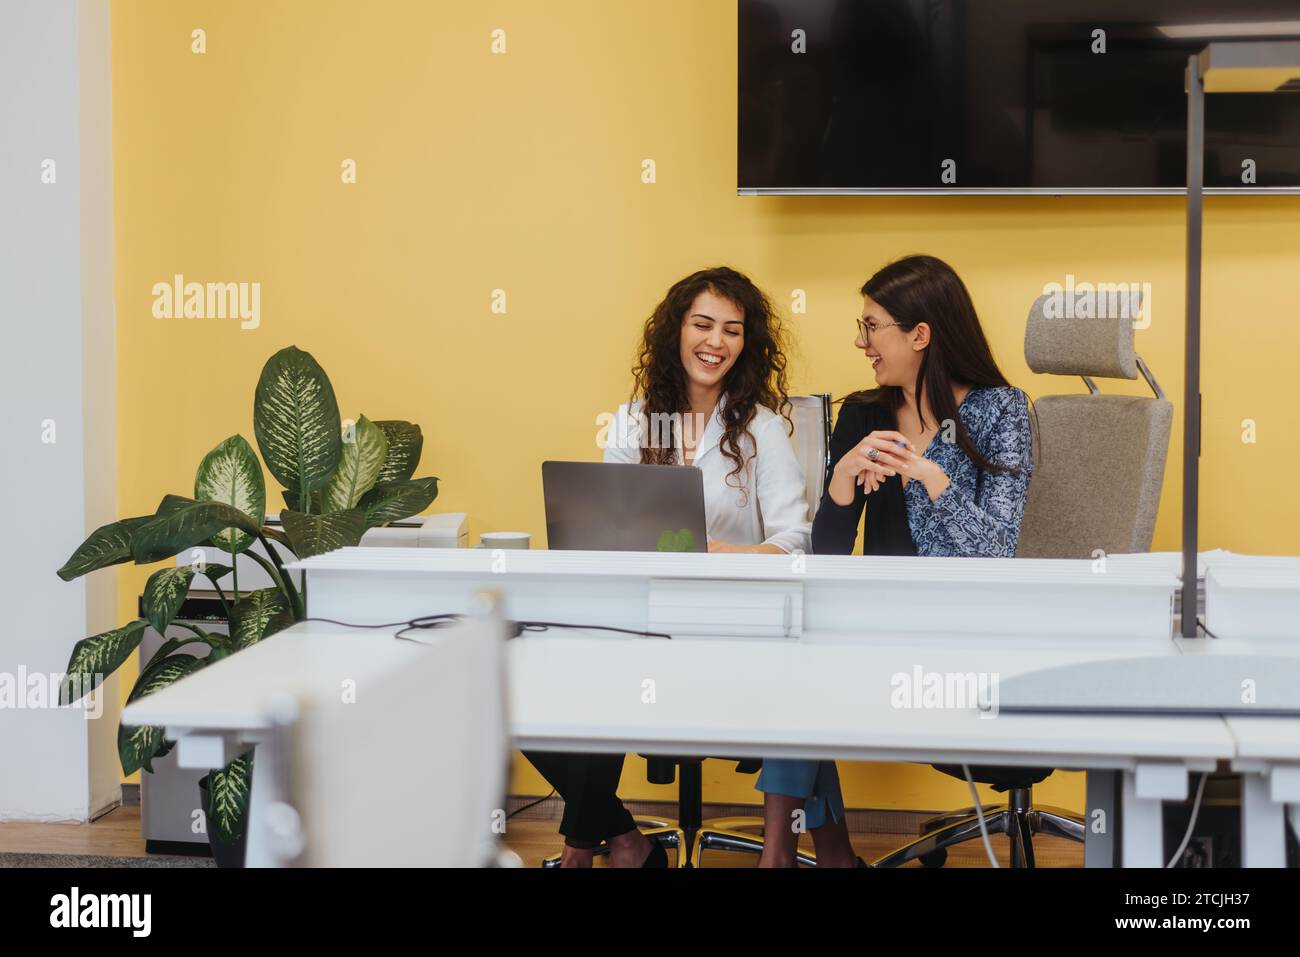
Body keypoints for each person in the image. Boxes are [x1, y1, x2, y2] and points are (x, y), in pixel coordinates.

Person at [525, 265, 811, 867]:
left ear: (746, 343)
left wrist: (716, 554)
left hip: (732, 624)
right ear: (676, 332)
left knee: (605, 671)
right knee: (537, 681)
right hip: (641, 614)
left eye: (732, 331)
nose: (715, 342)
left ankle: (585, 847)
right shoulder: (633, 420)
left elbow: (795, 543)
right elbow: (605, 534)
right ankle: (622, 838)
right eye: (702, 325)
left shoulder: (761, 427)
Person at [755, 254, 1034, 867]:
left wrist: (931, 477)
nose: (861, 342)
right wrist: (841, 484)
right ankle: (783, 854)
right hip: (878, 625)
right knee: (789, 648)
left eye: (871, 326)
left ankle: (822, 854)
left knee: (800, 667)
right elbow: (825, 557)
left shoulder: (1001, 411)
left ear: (920, 334)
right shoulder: (863, 414)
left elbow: (997, 551)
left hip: (967, 635)